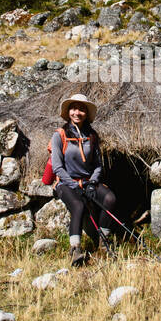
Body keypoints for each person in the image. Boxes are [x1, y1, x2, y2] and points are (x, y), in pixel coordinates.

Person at [50, 93, 118, 266]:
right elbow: (57, 167)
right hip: (65, 183)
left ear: (86, 114)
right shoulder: (60, 135)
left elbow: (97, 165)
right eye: (74, 108)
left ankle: (104, 242)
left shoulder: (92, 135)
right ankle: (75, 249)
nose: (77, 112)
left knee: (110, 199)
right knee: (78, 206)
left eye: (81, 109)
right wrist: (73, 185)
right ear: (68, 112)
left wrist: (93, 182)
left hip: (88, 182)